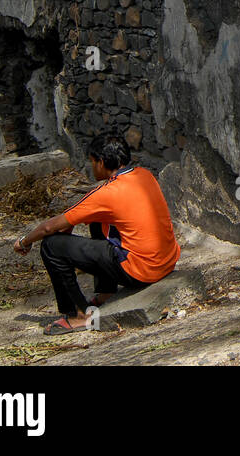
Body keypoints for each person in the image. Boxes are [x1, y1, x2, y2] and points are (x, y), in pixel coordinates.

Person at [13, 134, 181, 334]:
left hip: (142, 271)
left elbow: (50, 228)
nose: (92, 167)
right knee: (96, 221)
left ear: (101, 162)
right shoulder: (144, 174)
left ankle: (79, 315)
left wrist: (24, 241)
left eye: (92, 162)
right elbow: (76, 218)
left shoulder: (106, 194)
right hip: (167, 262)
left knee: (51, 246)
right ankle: (105, 293)